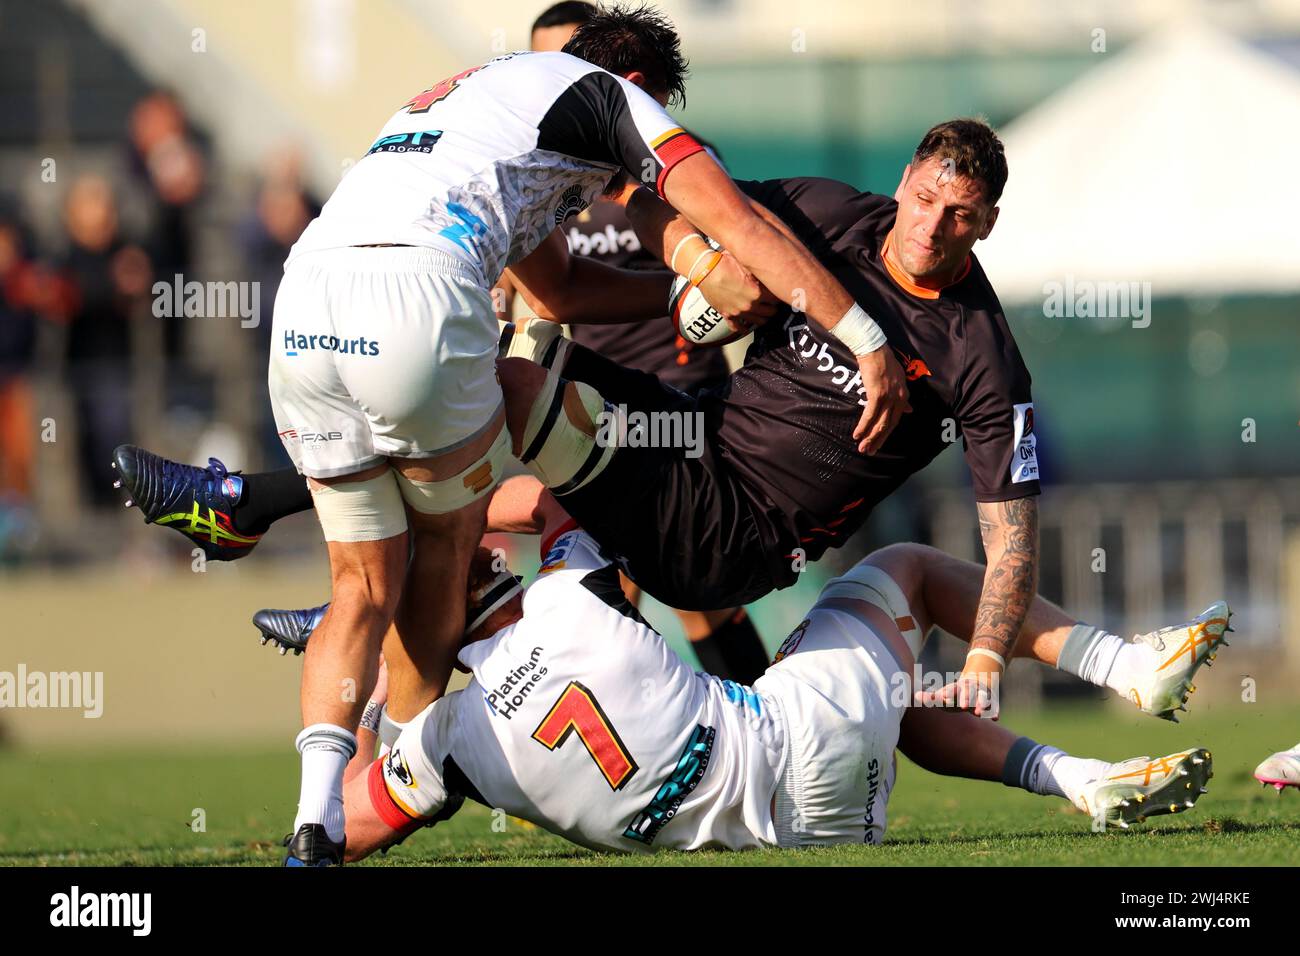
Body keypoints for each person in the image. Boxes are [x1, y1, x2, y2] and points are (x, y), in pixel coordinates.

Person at [119, 5, 910, 866]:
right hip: (424, 301)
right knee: (446, 551)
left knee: (363, 583)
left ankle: (317, 814)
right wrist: (864, 338)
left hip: (307, 293)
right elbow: (749, 232)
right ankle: (399, 763)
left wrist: (681, 291)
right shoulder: (616, 103)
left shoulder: (485, 99)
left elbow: (564, 292)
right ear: (640, 85)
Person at [314, 483, 1221, 860]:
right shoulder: (568, 596)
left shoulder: (447, 743)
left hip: (807, 834)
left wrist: (368, 653)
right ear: (493, 569)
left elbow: (337, 830)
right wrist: (435, 504)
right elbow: (542, 497)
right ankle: (1124, 663)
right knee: (903, 568)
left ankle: (1079, 778)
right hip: (807, 735)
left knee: (884, 692)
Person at [509, 0, 763, 681]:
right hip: (584, 406)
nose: (565, 79)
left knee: (693, 596)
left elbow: (731, 268)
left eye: (578, 62)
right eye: (550, 64)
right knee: (607, 587)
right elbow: (528, 291)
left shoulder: (670, 161)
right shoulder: (539, 175)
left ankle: (763, 734)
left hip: (682, 400)